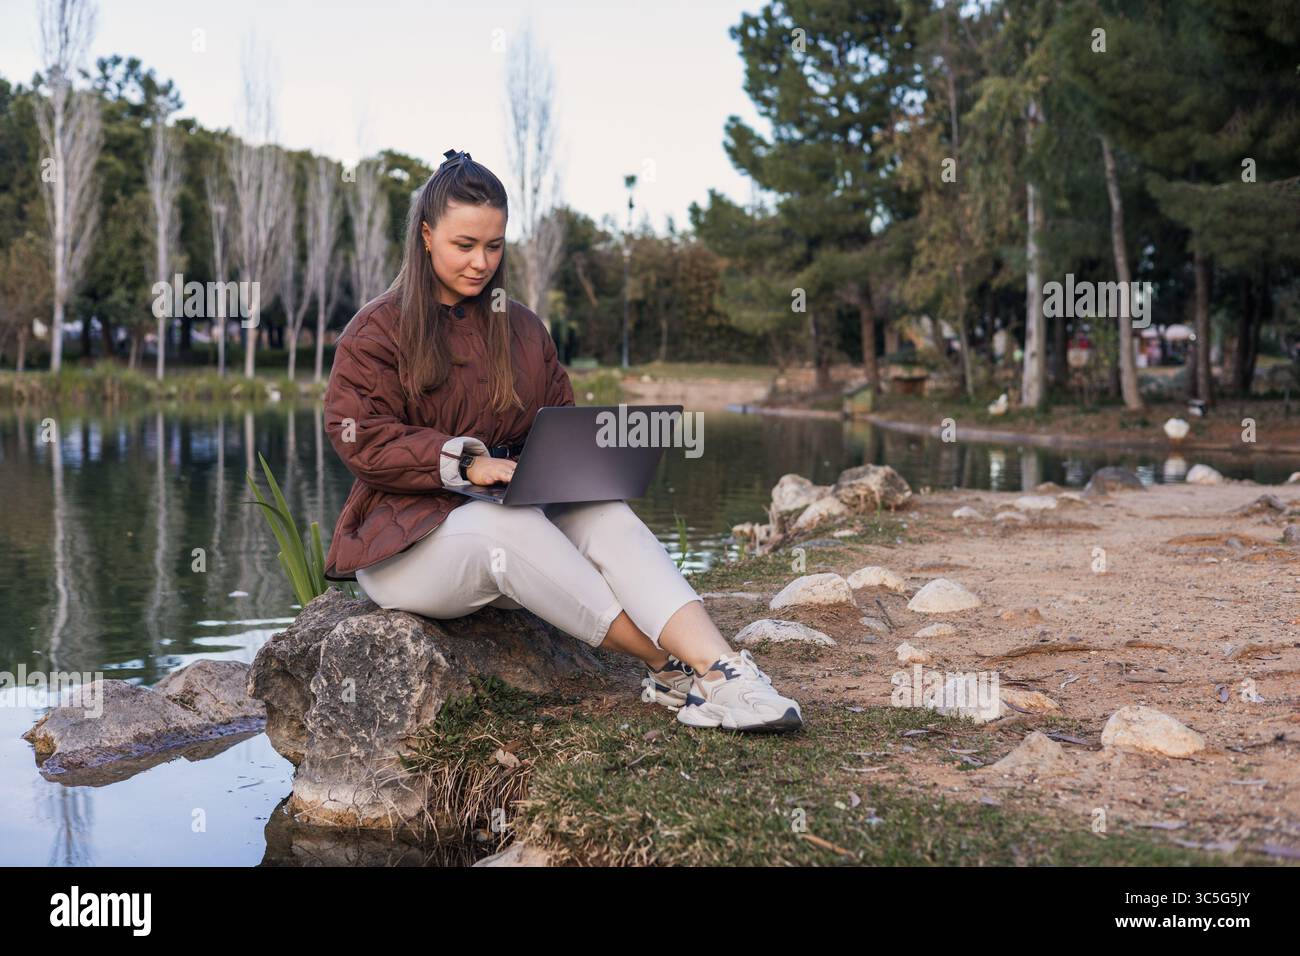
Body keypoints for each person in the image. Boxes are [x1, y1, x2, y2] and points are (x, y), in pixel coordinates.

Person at [321, 149, 802, 733]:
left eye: (494, 246)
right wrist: (469, 465)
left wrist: (575, 467)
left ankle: (724, 670)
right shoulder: (376, 330)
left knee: (604, 512)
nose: (481, 262)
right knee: (509, 528)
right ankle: (668, 668)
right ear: (426, 235)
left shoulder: (522, 329)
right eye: (464, 245)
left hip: (507, 530)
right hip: (401, 549)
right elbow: (362, 439)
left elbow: (557, 426)